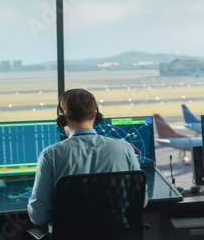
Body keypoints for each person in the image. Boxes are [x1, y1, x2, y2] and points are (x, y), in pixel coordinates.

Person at [28, 89, 142, 226]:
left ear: (62, 118)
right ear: (96, 116)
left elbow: (39, 216)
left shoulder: (50, 155)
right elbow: (142, 201)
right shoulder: (125, 149)